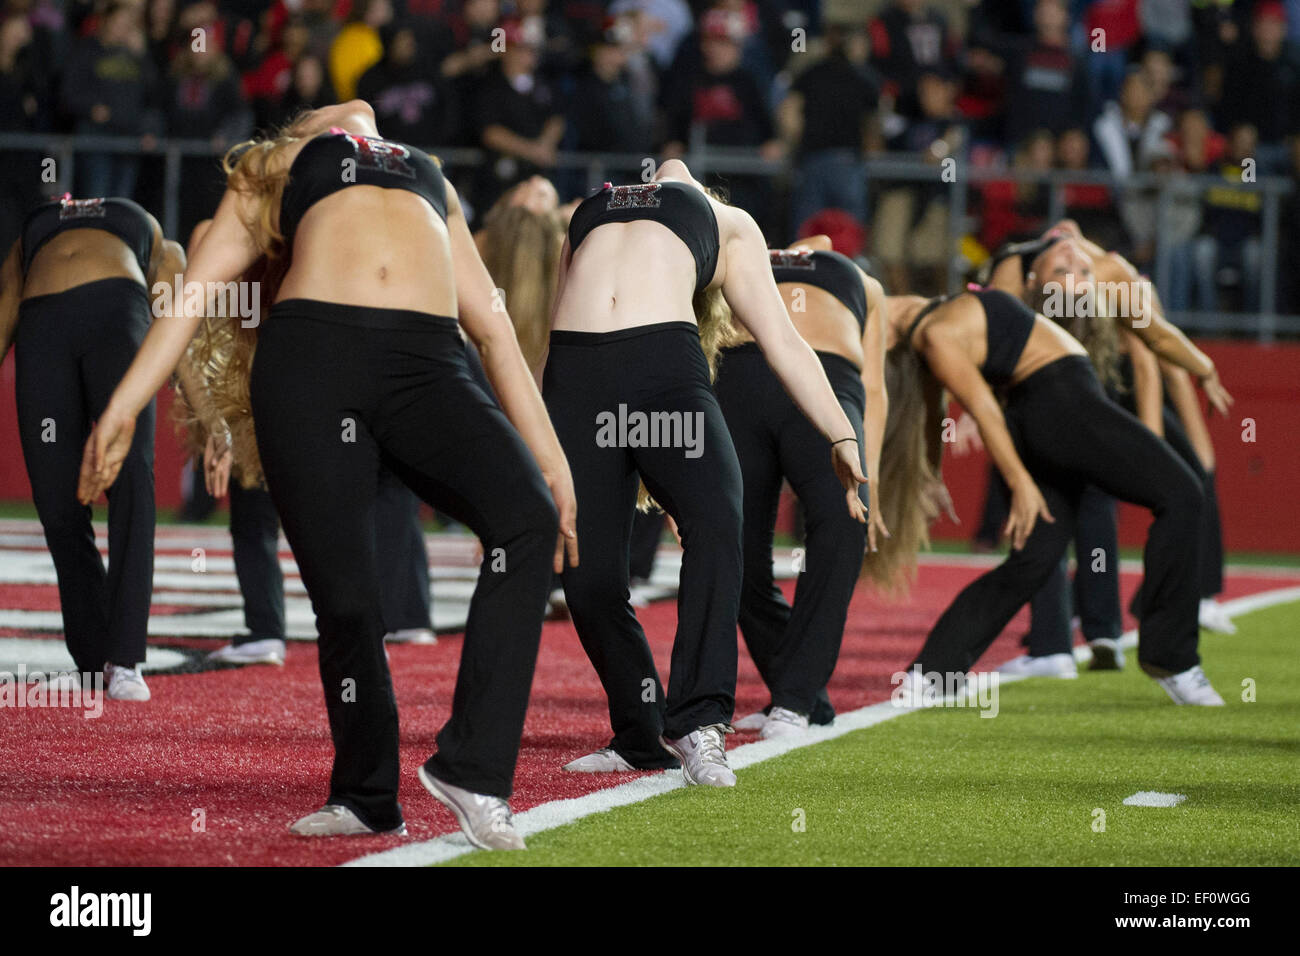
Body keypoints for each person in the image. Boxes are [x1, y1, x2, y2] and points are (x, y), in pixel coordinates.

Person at [77, 100, 578, 851]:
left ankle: (472, 767)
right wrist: (120, 409)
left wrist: (556, 466)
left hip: (428, 361)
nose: (356, 109)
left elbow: (496, 330)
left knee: (529, 517)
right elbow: (192, 300)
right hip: (312, 365)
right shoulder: (272, 171)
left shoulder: (429, 175)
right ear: (301, 128)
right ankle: (367, 793)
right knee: (346, 602)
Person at [548, 162, 867, 785]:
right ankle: (640, 732)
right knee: (588, 578)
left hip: (665, 366)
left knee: (719, 523)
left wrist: (842, 433)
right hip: (576, 376)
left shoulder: (729, 225)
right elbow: (555, 325)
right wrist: (534, 432)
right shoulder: (591, 207)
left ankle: (699, 723)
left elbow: (784, 341)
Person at [878, 282, 1231, 706]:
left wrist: (931, 477)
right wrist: (1020, 484)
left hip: (1044, 411)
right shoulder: (935, 333)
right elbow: (984, 410)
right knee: (1183, 495)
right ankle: (1171, 658)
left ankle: (930, 674)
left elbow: (937, 411)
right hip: (1063, 400)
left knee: (1034, 558)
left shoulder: (932, 323)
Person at [175, 220, 437, 666]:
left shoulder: (219, 233)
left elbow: (193, 325)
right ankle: (356, 626)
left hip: (251, 383)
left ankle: (270, 629)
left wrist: (212, 415)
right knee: (327, 516)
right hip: (306, 377)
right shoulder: (310, 226)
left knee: (259, 517)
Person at [0, 195, 184, 700]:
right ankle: (90, 657)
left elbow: (176, 318)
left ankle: (125, 657)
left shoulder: (147, 224)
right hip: (42, 325)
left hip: (118, 314)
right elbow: (5, 307)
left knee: (131, 481)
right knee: (56, 501)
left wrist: (203, 407)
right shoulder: (34, 225)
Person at [719, 235, 887, 738]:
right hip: (739, 374)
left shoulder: (864, 283)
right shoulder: (741, 251)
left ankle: (793, 698)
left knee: (843, 522)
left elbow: (874, 388)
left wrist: (868, 475)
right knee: (732, 549)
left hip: (827, 381)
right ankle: (802, 695)